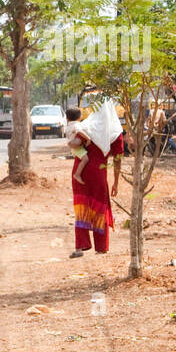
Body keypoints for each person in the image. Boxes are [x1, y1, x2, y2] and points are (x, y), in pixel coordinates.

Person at [69, 100, 124, 258]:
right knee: (100, 207)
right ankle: (101, 246)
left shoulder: (85, 126)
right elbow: (118, 158)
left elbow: (73, 143)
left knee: (82, 208)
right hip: (99, 174)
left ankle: (80, 246)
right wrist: (115, 182)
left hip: (80, 171)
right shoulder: (114, 131)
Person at [64, 106, 90, 185]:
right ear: (80, 117)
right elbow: (79, 131)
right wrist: (88, 139)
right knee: (85, 159)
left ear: (67, 119)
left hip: (72, 146)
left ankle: (77, 174)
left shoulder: (68, 126)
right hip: (76, 148)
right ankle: (77, 174)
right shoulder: (77, 125)